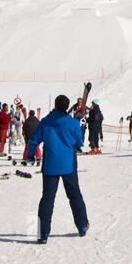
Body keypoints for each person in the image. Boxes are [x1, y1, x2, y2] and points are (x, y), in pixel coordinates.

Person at [26, 95, 89, 244]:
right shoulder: (72, 123)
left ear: (55, 105)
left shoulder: (46, 122)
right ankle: (82, 225)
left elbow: (34, 139)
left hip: (50, 164)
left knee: (47, 198)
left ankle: (42, 234)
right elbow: (79, 141)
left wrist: (30, 155)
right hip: (68, 163)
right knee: (74, 195)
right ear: (67, 106)